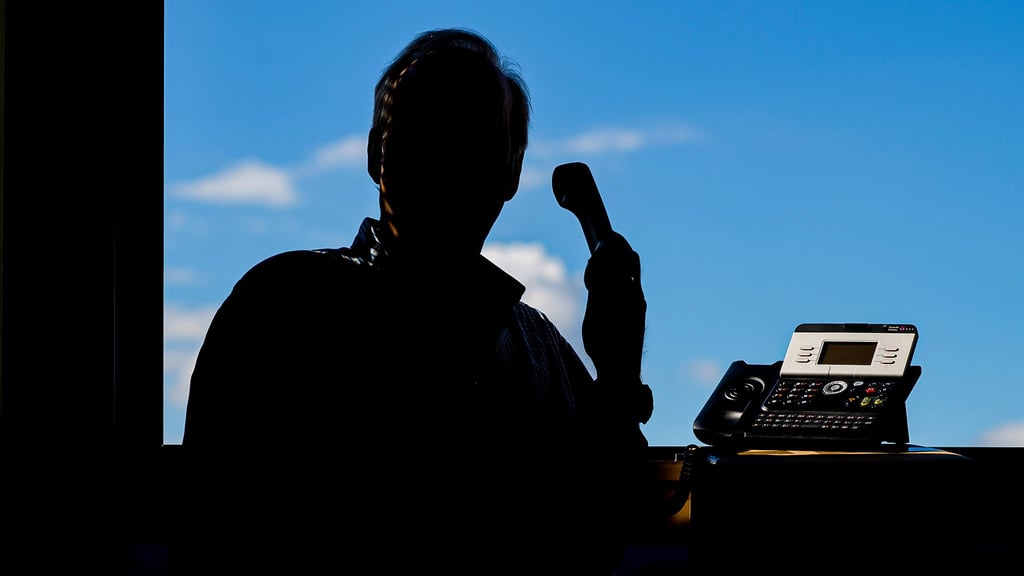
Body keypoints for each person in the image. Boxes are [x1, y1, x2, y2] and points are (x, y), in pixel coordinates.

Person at [178, 27, 654, 575]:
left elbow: (601, 535)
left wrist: (617, 374)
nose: (448, 155)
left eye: (474, 135)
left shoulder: (542, 348)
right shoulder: (280, 309)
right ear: (376, 154)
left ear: (510, 174)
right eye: (425, 127)